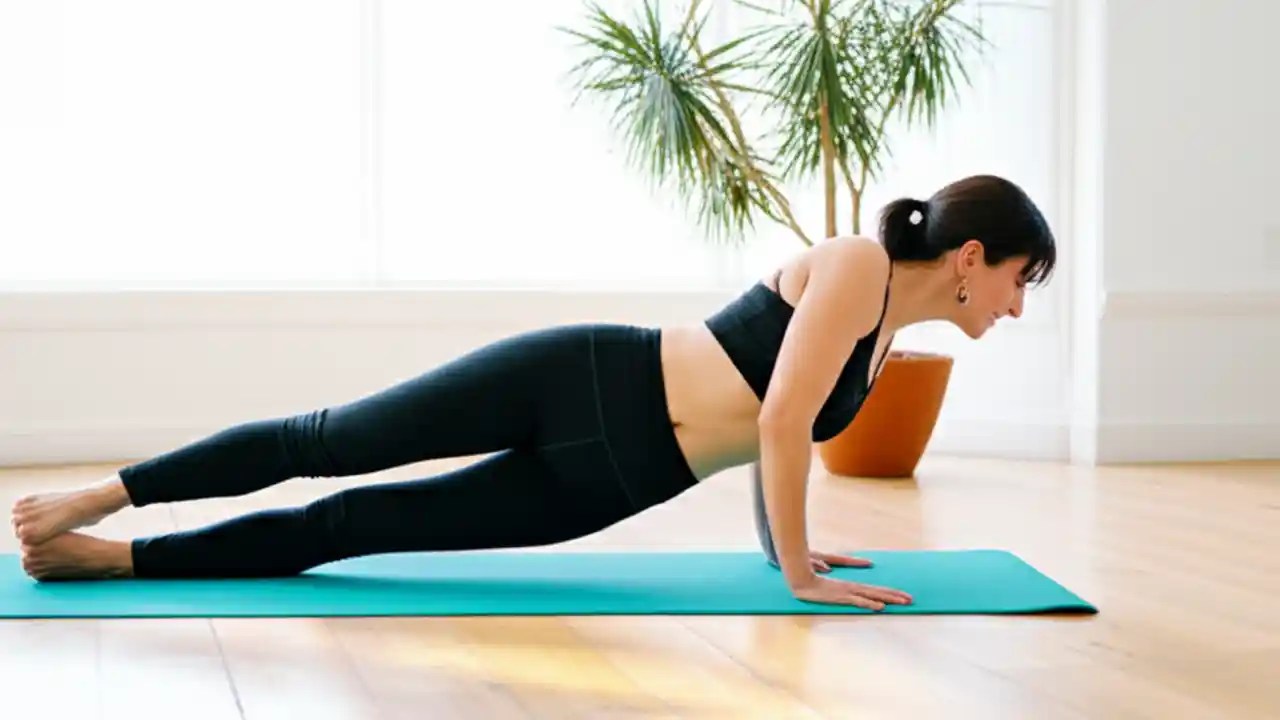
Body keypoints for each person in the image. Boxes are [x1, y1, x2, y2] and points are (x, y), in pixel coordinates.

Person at [10, 174, 1055, 610]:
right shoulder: (857, 266)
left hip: (612, 481)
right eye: (1017, 282)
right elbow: (782, 415)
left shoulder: (884, 348)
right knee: (329, 439)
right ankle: (100, 497)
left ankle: (113, 559)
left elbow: (760, 433)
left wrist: (789, 544)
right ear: (970, 256)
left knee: (352, 525)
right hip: (584, 384)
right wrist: (796, 579)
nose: (1013, 307)